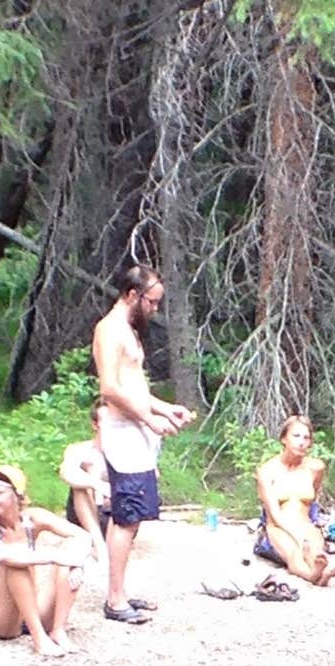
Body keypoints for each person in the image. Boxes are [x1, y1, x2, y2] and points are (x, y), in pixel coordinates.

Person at [90, 264, 197, 623]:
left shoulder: (128, 330)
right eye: (150, 301)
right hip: (123, 433)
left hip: (137, 433)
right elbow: (110, 389)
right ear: (132, 295)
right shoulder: (109, 330)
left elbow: (134, 388)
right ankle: (115, 600)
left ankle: (119, 590)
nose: (154, 308)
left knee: (130, 517)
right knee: (127, 516)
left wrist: (165, 409)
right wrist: (149, 419)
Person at [0, 465, 90, 659]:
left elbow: (82, 536)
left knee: (70, 553)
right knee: (16, 560)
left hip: (32, 610)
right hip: (1, 619)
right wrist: (53, 555)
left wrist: (76, 563)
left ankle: (58, 630)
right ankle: (39, 640)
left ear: (17, 495)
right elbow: (4, 556)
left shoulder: (33, 517)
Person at [255, 415, 335, 586]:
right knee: (294, 552)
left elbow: (313, 498)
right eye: (296, 436)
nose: (301, 442)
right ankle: (313, 575)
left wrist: (308, 531)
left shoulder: (315, 468)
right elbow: (274, 513)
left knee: (314, 550)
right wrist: (297, 536)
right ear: (284, 439)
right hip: (278, 526)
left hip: (305, 523)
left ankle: (319, 572)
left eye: (306, 438)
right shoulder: (267, 471)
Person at [60, 399, 110, 566]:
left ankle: (110, 542)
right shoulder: (79, 449)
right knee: (82, 476)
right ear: (95, 424)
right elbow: (66, 472)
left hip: (115, 513)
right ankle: (99, 546)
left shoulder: (127, 452)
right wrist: (97, 484)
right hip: (84, 514)